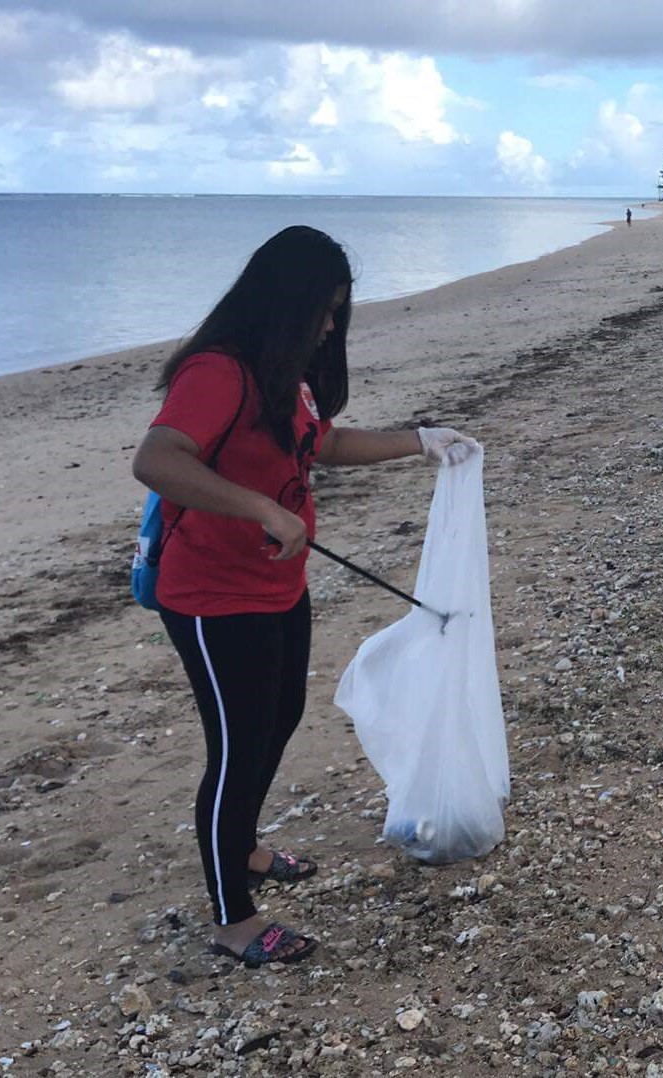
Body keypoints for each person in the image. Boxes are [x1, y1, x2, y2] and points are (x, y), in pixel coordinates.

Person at [131, 226, 474, 967]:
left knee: (278, 719)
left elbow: (322, 444)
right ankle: (231, 918)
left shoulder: (284, 372)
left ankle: (245, 847)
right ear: (286, 302)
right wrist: (258, 508)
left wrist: (419, 440)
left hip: (277, 584)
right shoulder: (217, 372)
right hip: (210, 598)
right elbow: (156, 459)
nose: (329, 325)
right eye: (324, 309)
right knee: (236, 747)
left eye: (337, 312)